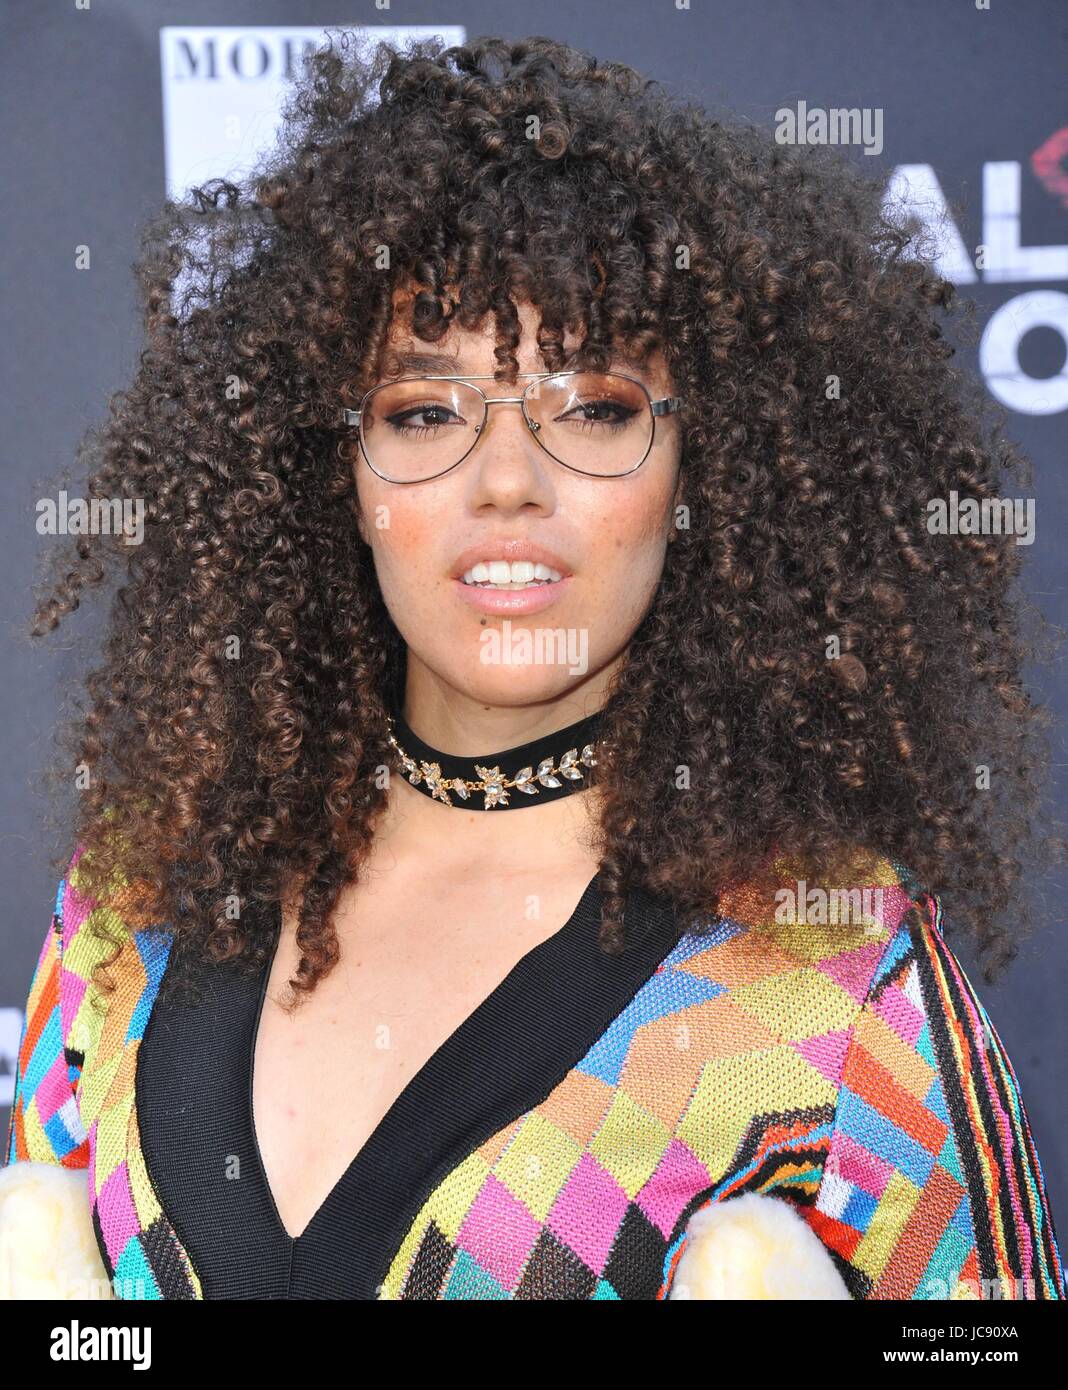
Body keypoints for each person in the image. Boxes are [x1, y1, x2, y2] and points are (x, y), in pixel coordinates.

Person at [2, 32, 1064, 1302]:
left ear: (702, 471)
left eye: (595, 407)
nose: (507, 480)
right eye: (425, 410)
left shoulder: (835, 968)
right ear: (331, 471)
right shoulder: (139, 893)